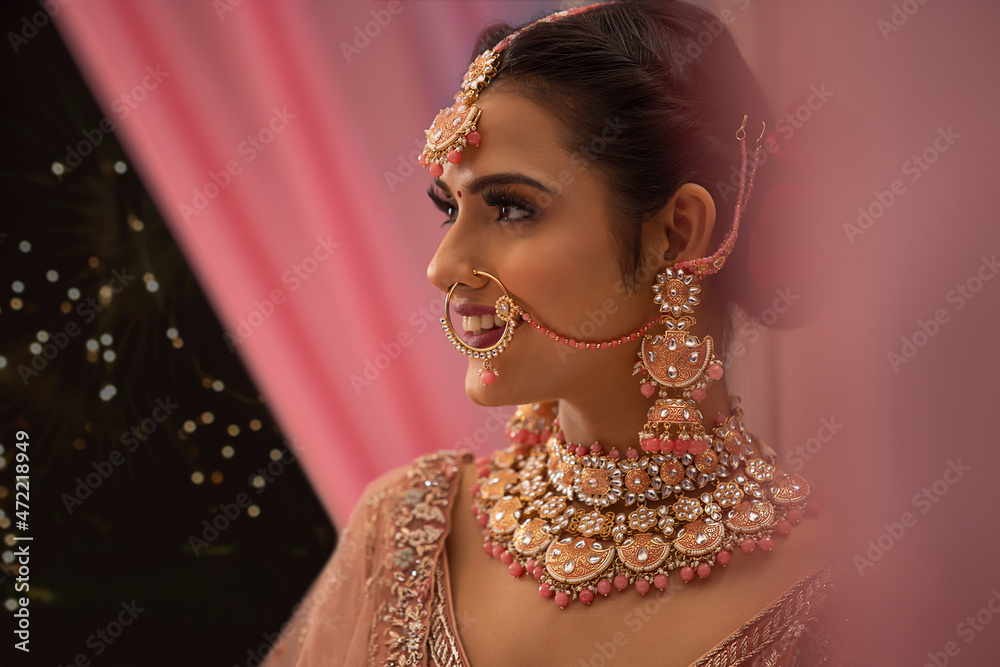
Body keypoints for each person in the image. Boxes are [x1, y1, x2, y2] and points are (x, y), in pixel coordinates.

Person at [263, 1, 850, 664]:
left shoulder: (840, 596)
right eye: (449, 209)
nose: (442, 266)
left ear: (678, 233)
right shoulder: (405, 530)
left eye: (511, 207)